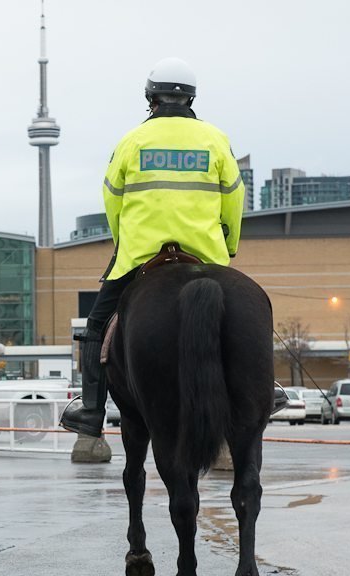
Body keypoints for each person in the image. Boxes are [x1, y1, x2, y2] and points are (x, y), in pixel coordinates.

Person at [60, 57, 253, 437]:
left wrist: (123, 244)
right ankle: (264, 390)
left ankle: (91, 410)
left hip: (140, 256)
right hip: (206, 256)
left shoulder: (132, 141)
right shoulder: (215, 139)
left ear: (150, 98)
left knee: (96, 326)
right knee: (246, 319)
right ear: (191, 99)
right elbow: (234, 197)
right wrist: (228, 246)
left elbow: (112, 199)